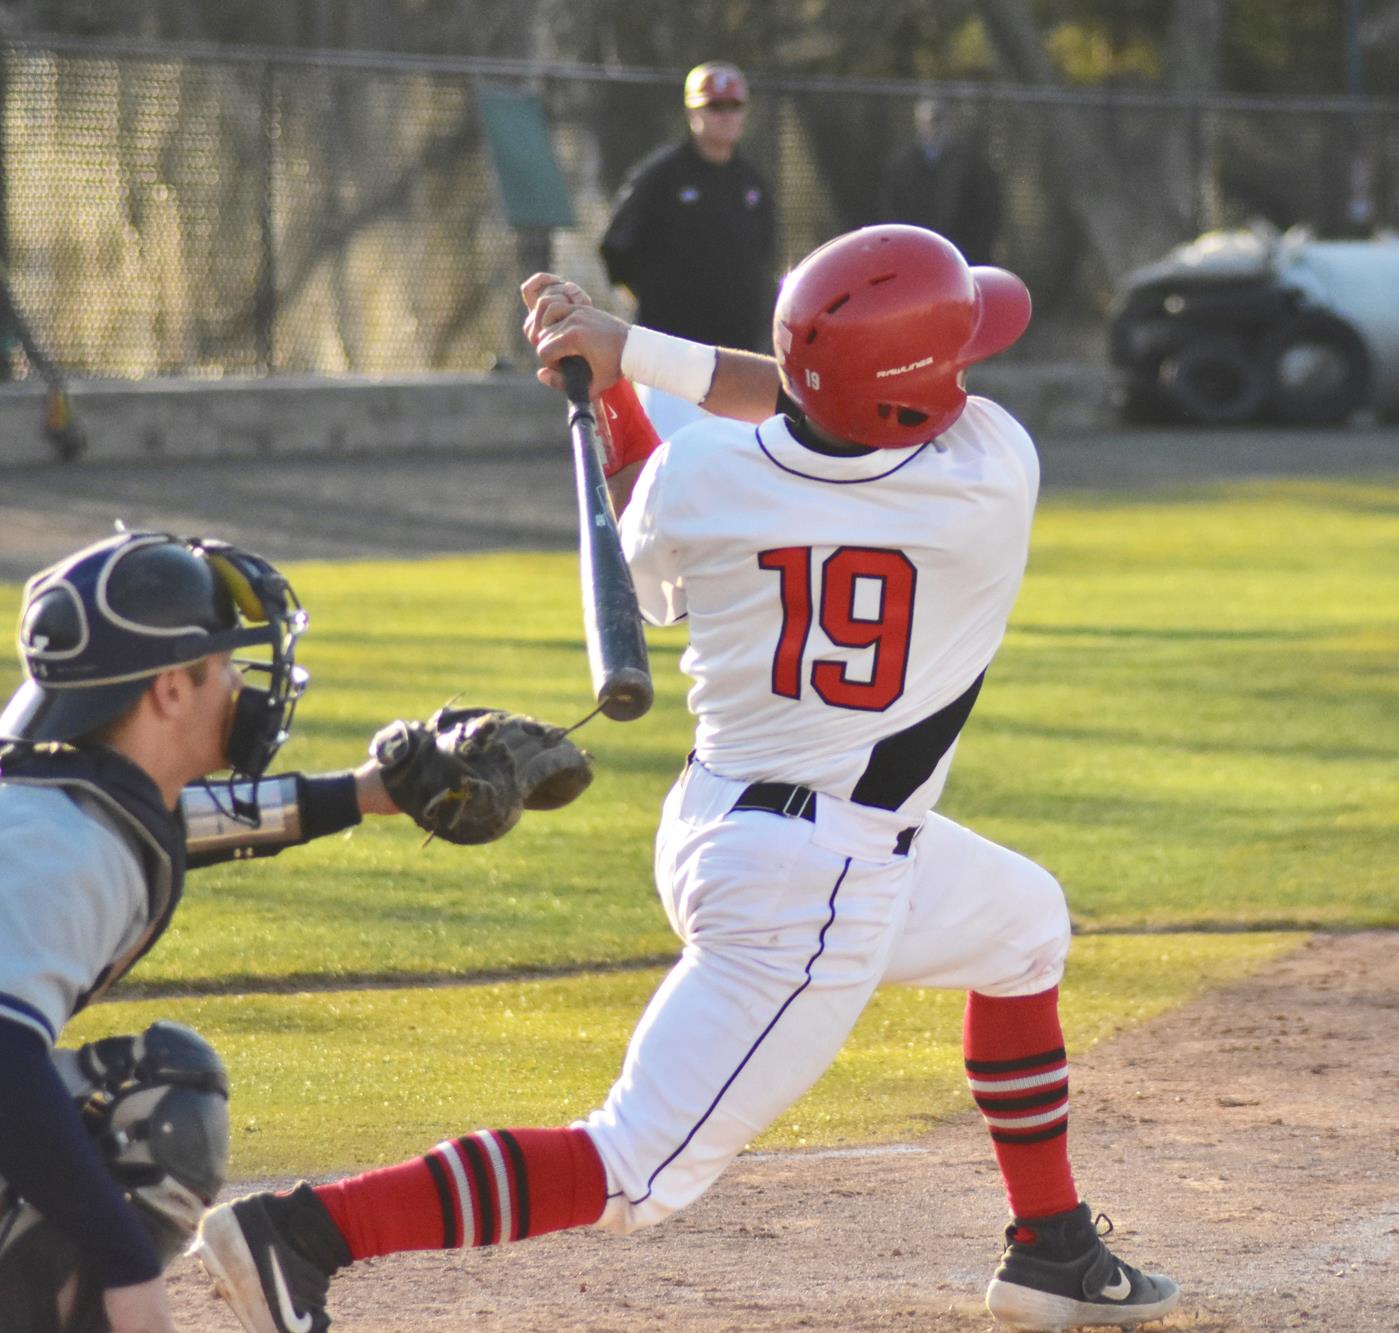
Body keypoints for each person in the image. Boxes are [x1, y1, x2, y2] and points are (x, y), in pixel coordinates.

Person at [194, 225, 1181, 1333]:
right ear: (913, 398)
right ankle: (305, 1231)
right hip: (815, 883)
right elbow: (805, 401)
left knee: (1022, 925)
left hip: (723, 818)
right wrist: (636, 358)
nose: (972, 371)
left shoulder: (702, 474)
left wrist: (612, 381)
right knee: (635, 1171)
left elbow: (662, 536)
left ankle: (1051, 1249)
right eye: (953, 358)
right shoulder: (989, 475)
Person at [0, 532, 588, 1333]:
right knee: (155, 1105)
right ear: (171, 689)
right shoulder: (67, 844)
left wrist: (372, 790)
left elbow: (176, 829)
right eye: (226, 666)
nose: (246, 685)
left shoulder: (56, 808)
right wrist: (130, 1274)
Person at [599, 60, 776, 441]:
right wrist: (648, 298)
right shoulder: (661, 176)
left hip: (737, 358)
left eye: (734, 106)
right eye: (714, 106)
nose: (725, 116)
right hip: (670, 358)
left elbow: (764, 258)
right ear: (692, 111)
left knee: (733, 469)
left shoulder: (753, 184)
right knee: (668, 460)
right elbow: (615, 247)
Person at [880, 97, 1002, 266]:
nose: (933, 127)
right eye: (928, 121)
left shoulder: (971, 163)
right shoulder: (902, 163)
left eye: (938, 120)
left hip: (961, 255)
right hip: (914, 254)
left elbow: (986, 211)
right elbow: (891, 208)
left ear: (950, 121)